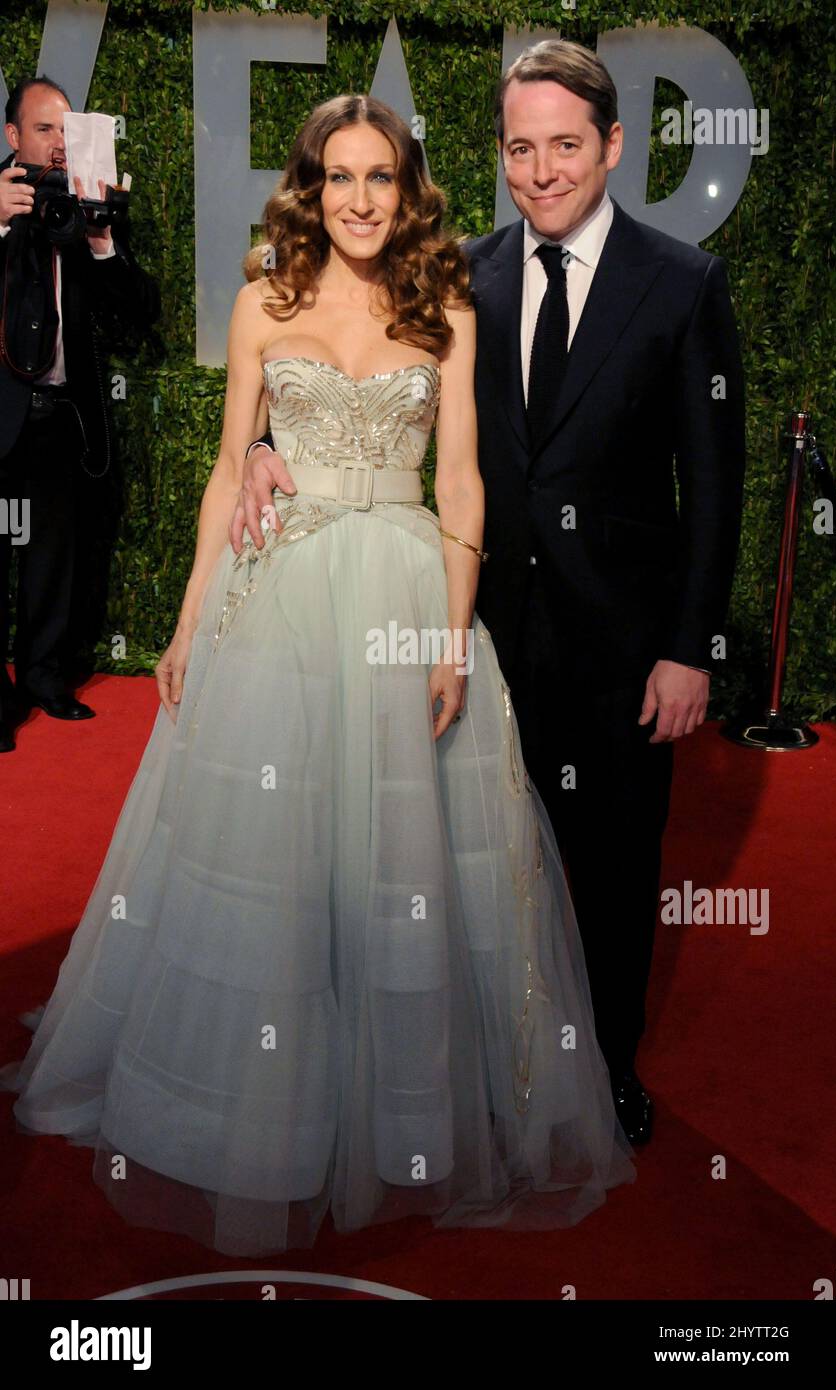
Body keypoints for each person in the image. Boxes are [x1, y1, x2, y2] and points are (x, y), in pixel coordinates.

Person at [1, 95, 635, 1259]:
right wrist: (187, 623)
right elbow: (222, 468)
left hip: (403, 596)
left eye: (379, 177)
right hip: (281, 599)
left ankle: (401, 1115)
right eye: (337, 176)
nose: (357, 198)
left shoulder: (445, 307)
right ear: (307, 187)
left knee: (405, 857)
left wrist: (450, 635)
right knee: (273, 857)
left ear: (407, 189)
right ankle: (264, 1114)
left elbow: (459, 483)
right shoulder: (262, 303)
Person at [238, 42, 747, 1146]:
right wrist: (260, 450)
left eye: (565, 146)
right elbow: (356, 367)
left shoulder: (681, 285)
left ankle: (603, 1068)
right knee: (465, 871)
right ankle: (477, 1069)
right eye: (520, 148)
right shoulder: (462, 274)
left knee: (612, 872)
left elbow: (714, 487)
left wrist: (687, 648)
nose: (541, 170)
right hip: (471, 625)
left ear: (611, 146)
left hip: (619, 649)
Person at [0, 76, 160, 753]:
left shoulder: (84, 209)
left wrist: (100, 239)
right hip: (2, 416)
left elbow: (136, 318)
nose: (59, 146)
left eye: (67, 133)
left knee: (53, 559)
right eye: (44, 131)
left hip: (62, 416)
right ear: (12, 137)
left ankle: (44, 680)